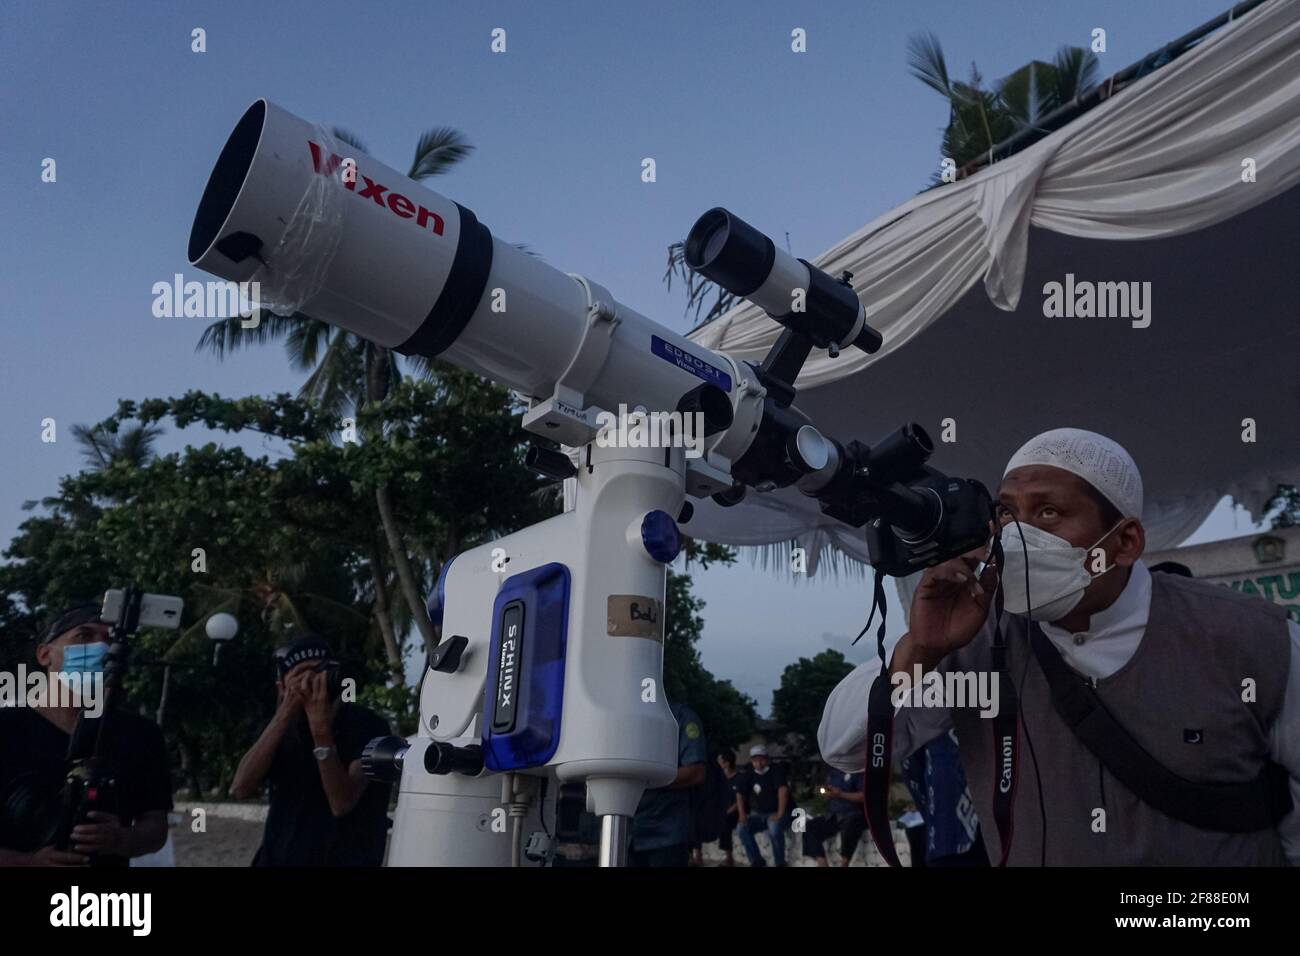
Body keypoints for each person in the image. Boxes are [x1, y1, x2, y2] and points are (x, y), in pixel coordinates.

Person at [820, 428, 1300, 865]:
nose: (1019, 536)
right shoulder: (974, 639)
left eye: (1049, 513)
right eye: (1007, 514)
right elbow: (846, 750)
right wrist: (920, 650)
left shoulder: (1249, 637)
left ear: (1125, 541)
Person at [0, 603, 172, 867]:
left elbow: (155, 824)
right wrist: (28, 862)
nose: (100, 648)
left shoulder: (141, 735)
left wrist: (123, 840)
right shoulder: (8, 727)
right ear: (45, 654)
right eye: (84, 636)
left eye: (109, 639)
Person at [233, 634, 393, 866]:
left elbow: (341, 803)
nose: (311, 681)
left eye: (320, 672)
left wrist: (320, 729)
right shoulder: (280, 729)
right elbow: (241, 788)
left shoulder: (368, 726)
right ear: (282, 686)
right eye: (301, 675)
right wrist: (284, 713)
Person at [629, 701, 707, 866]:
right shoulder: (619, 715)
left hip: (666, 834)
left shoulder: (680, 716)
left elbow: (696, 772)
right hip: (624, 832)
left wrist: (646, 781)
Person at [736, 745, 791, 866]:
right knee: (742, 829)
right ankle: (757, 861)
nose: (758, 763)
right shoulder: (748, 772)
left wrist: (779, 813)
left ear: (767, 759)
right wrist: (742, 814)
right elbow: (740, 794)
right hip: (759, 814)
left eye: (761, 759)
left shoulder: (776, 770)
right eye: (755, 760)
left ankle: (780, 863)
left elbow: (783, 791)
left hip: (778, 812)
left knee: (774, 828)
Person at [800, 765, 866, 866]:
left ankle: (844, 863)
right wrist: (825, 792)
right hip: (833, 815)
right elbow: (829, 793)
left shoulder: (858, 772)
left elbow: (862, 796)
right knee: (810, 826)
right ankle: (821, 862)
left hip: (853, 813)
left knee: (851, 826)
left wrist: (841, 794)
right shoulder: (835, 772)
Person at [715, 748, 741, 866]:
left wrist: (726, 811)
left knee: (724, 822)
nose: (718, 764)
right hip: (724, 810)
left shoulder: (739, 778)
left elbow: (740, 800)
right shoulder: (720, 779)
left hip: (738, 811)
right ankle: (696, 854)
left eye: (719, 761)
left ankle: (729, 858)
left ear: (726, 763)